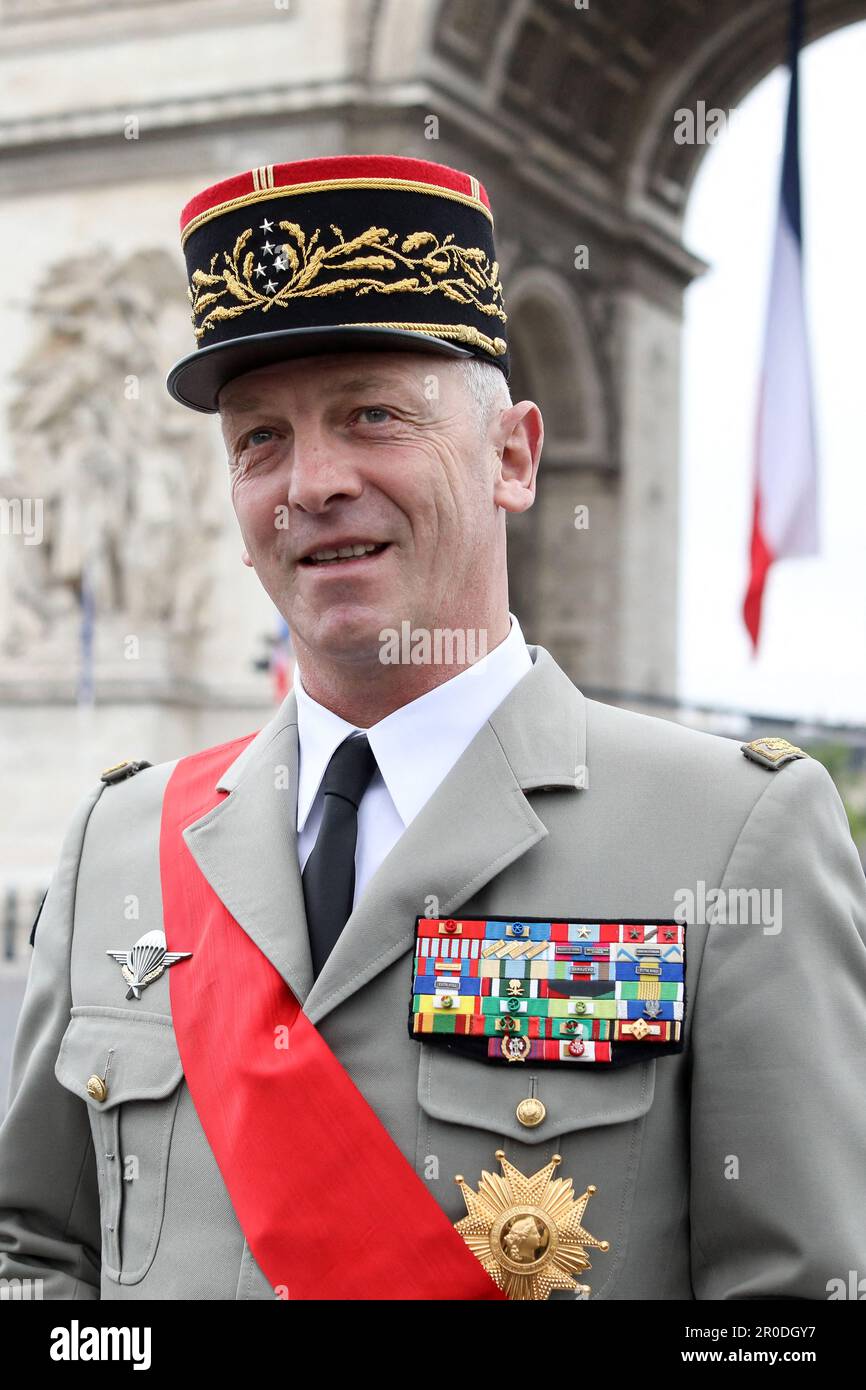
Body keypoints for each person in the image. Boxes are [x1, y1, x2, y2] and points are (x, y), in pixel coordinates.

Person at [1, 154, 865, 1302]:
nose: (310, 483)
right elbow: (36, 1255)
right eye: (260, 438)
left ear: (512, 456)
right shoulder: (119, 839)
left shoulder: (734, 835)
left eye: (371, 415)